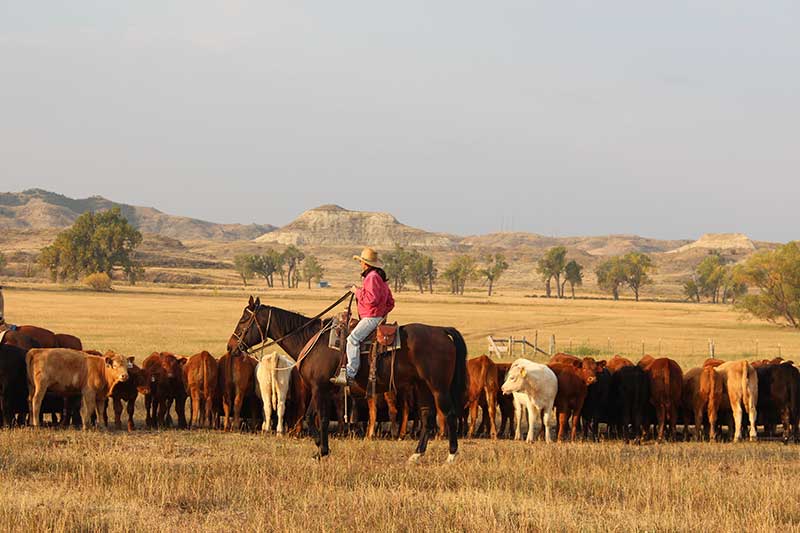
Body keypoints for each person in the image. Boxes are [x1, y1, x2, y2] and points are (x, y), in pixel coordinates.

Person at [330, 247, 395, 386]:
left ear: (365, 264)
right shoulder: (381, 279)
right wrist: (382, 313)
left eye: (361, 262)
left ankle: (350, 373)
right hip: (377, 317)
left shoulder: (371, 277)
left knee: (352, 339)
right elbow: (390, 302)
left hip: (371, 318)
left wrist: (357, 291)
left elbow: (371, 299)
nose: (360, 264)